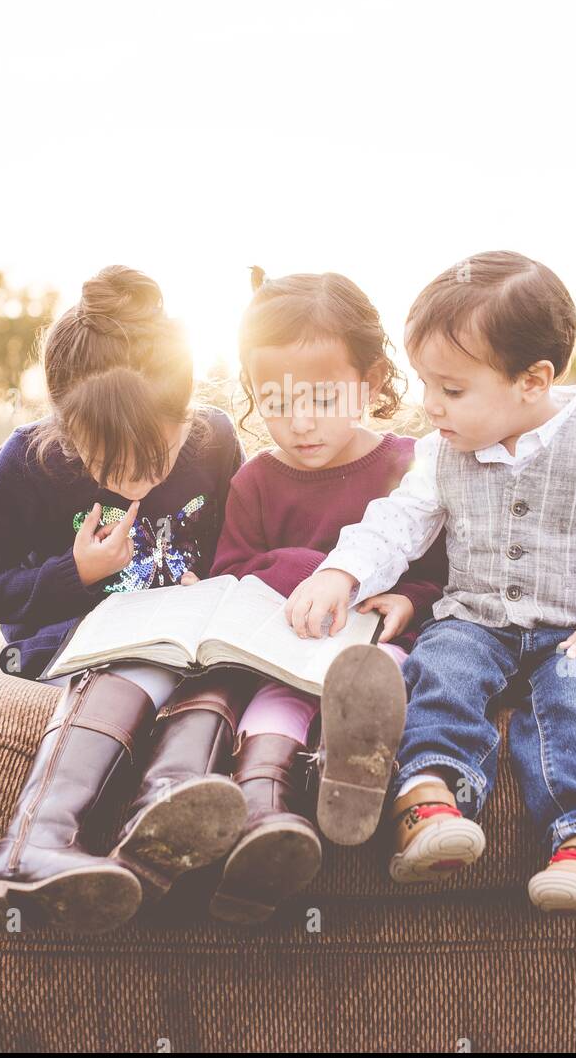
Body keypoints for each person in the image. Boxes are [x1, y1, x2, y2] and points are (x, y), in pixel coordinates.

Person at [285, 251, 576, 924]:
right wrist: (342, 570)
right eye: (423, 383)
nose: (428, 404)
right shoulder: (439, 451)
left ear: (531, 380)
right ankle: (429, 800)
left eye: (450, 388)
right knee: (439, 667)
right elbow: (397, 524)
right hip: (476, 619)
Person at [0, 265, 245, 933]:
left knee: (227, 675)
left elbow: (239, 542)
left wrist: (218, 586)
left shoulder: (213, 441)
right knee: (139, 664)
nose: (137, 477)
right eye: (109, 459)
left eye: (156, 454)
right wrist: (71, 575)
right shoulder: (31, 459)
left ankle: (166, 819)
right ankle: (34, 847)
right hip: (68, 641)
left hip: (180, 640)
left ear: (186, 417)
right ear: (66, 424)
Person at [191, 266, 447, 924]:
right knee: (274, 700)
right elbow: (234, 570)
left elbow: (439, 568)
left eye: (323, 399)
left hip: (370, 648)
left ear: (370, 382)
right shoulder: (256, 481)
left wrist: (408, 600)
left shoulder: (406, 466)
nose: (299, 422)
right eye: (275, 402)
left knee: (374, 677)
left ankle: (349, 775)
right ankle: (261, 802)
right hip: (284, 649)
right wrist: (313, 570)